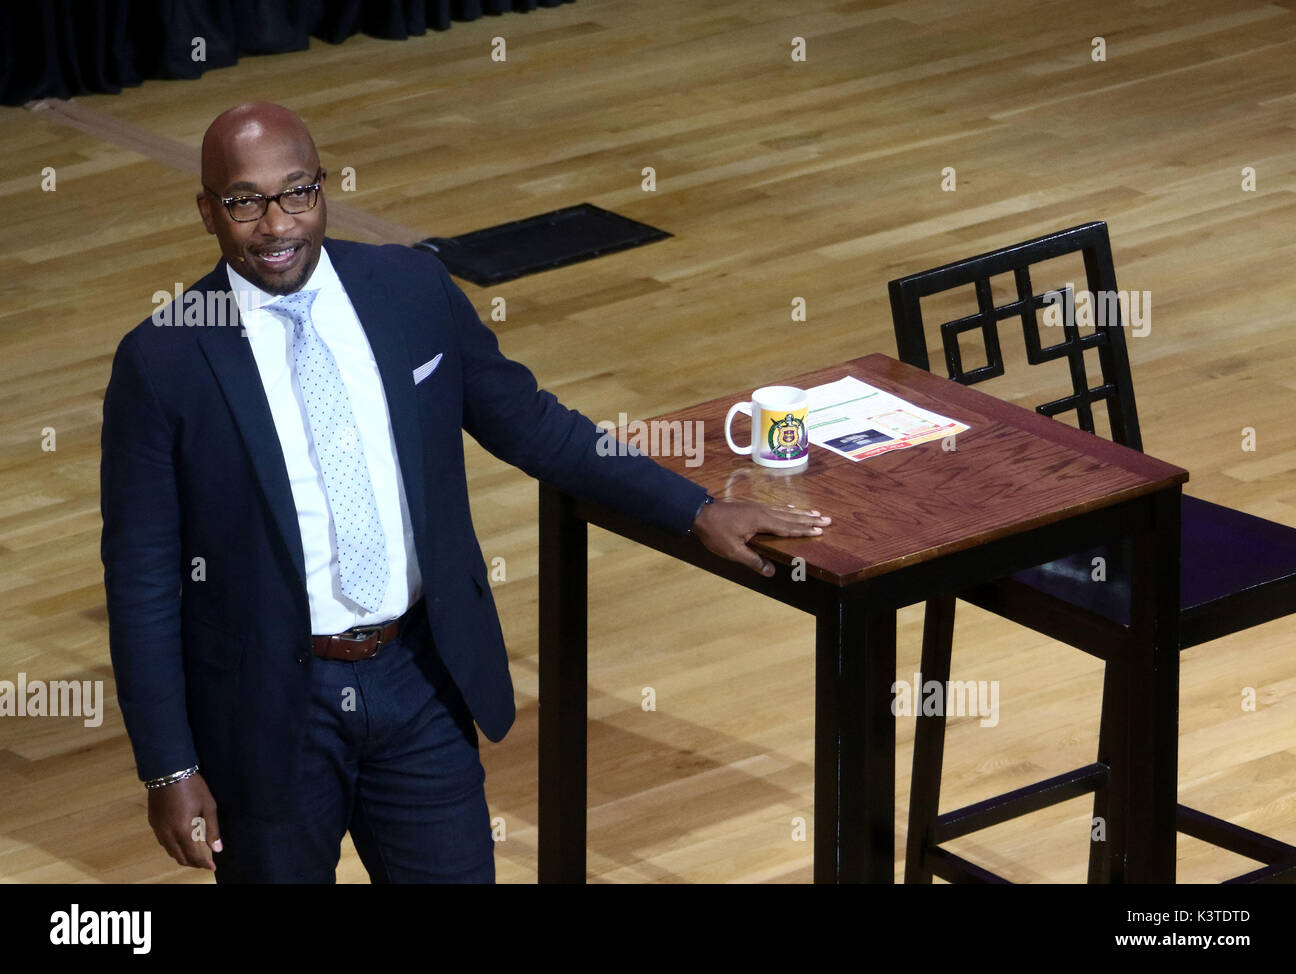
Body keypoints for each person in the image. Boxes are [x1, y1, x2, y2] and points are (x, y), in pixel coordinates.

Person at [100, 102, 832, 883]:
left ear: (326, 188)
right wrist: (169, 769)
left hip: (418, 676)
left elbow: (535, 426)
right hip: (270, 711)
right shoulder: (164, 360)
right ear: (208, 210)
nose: (278, 224)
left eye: (298, 192)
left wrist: (693, 508)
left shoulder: (409, 288)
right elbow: (143, 585)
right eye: (246, 202)